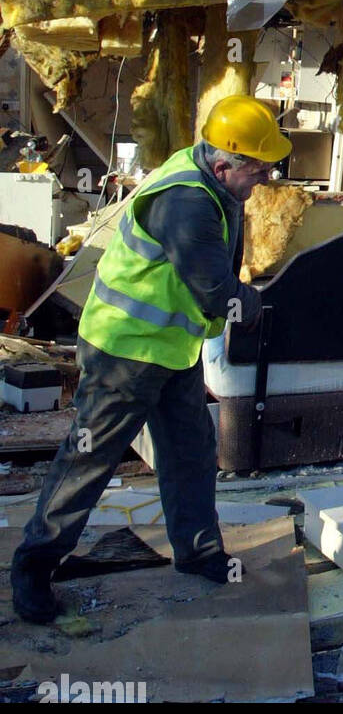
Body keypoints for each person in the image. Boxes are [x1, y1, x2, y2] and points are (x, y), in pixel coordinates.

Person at [11, 95, 291, 624]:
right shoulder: (186, 202)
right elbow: (215, 294)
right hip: (125, 351)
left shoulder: (213, 180)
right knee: (89, 459)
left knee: (190, 449)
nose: (265, 178)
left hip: (168, 349)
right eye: (259, 168)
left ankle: (199, 552)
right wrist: (266, 305)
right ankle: (33, 569)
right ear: (225, 162)